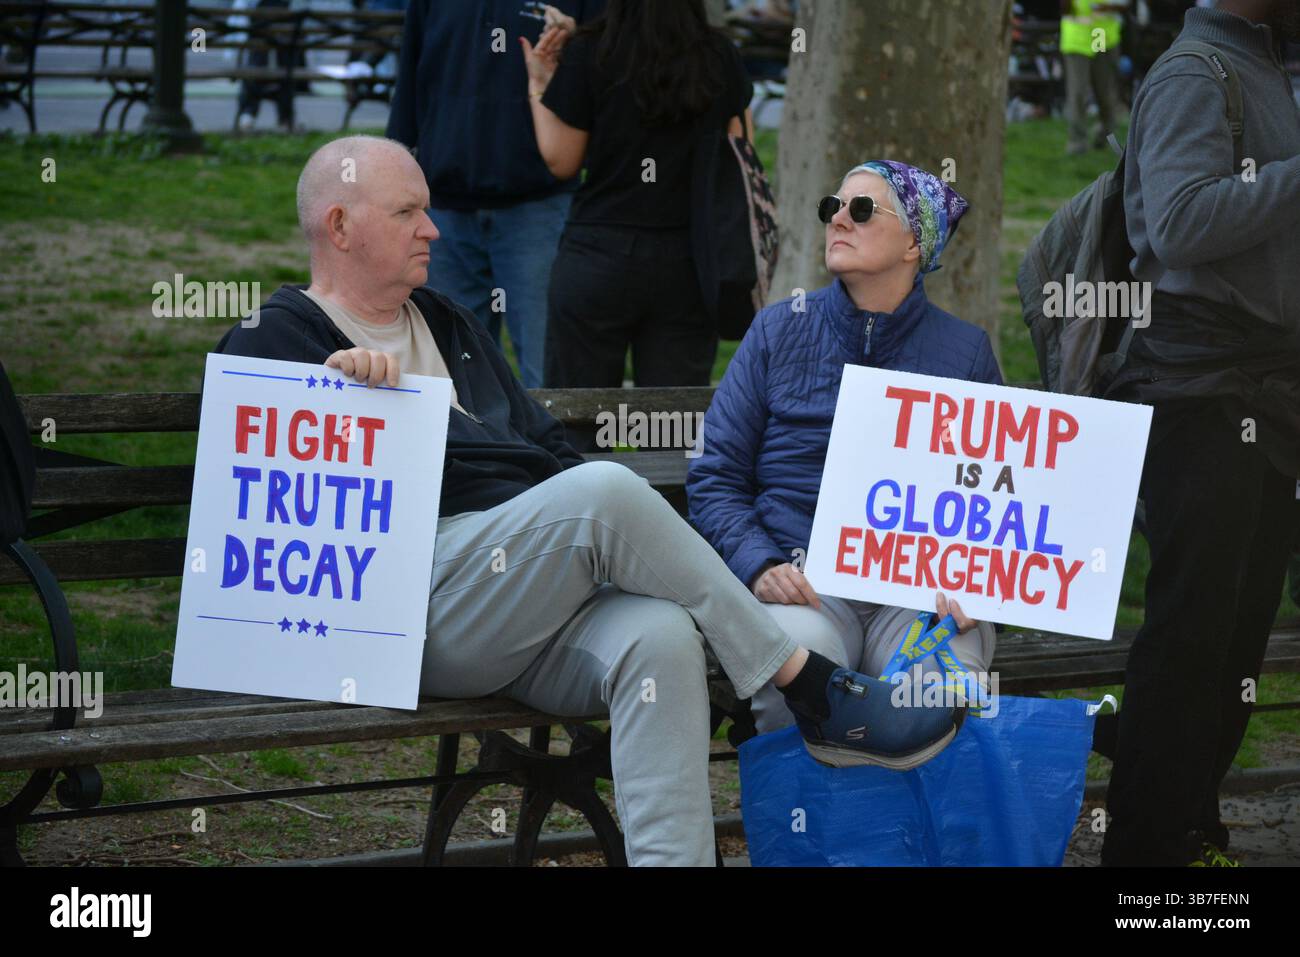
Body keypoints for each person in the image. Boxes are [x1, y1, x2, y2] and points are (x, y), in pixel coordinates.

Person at [214, 135, 967, 865]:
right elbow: (263, 505)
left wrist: (574, 544)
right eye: (409, 211)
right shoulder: (274, 337)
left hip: (520, 594)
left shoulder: (448, 322)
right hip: (411, 607)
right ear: (340, 226)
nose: (433, 228)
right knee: (604, 490)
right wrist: (338, 401)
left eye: (427, 209)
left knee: (661, 634)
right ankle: (810, 684)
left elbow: (547, 447)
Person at [686, 160, 1001, 759]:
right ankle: (804, 840)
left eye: (861, 210)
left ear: (914, 242)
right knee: (795, 675)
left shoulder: (966, 352)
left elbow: (994, 497)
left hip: (914, 595)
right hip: (803, 586)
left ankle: (907, 846)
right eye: (833, 205)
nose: (838, 218)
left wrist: (977, 585)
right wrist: (759, 563)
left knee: (943, 693)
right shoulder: (778, 331)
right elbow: (715, 475)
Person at [1097, 0, 1300, 866]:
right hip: (1199, 396)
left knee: (1238, 632)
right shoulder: (1192, 72)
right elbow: (1178, 223)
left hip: (1263, 392)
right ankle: (1144, 854)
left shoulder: (1261, 59)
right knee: (1192, 636)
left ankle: (1190, 828)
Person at [522, 0, 753, 403]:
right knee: (671, 421)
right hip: (691, 259)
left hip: (597, 252)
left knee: (579, 411)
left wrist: (539, 84)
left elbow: (561, 160)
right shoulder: (719, 54)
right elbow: (741, 149)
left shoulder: (590, 51)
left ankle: (590, 468)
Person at [385, 1, 603, 389]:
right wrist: (393, 180)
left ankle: (559, 452)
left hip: (540, 205)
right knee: (447, 378)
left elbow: (607, 79)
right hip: (443, 210)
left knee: (549, 377)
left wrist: (580, 45)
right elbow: (411, 76)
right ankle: (464, 453)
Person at [1060, 0, 1128, 154]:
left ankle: (1105, 135)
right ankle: (1077, 143)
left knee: (1103, 90)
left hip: (1101, 35)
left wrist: (1107, 7)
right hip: (1077, 37)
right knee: (1078, 93)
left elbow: (1123, 4)